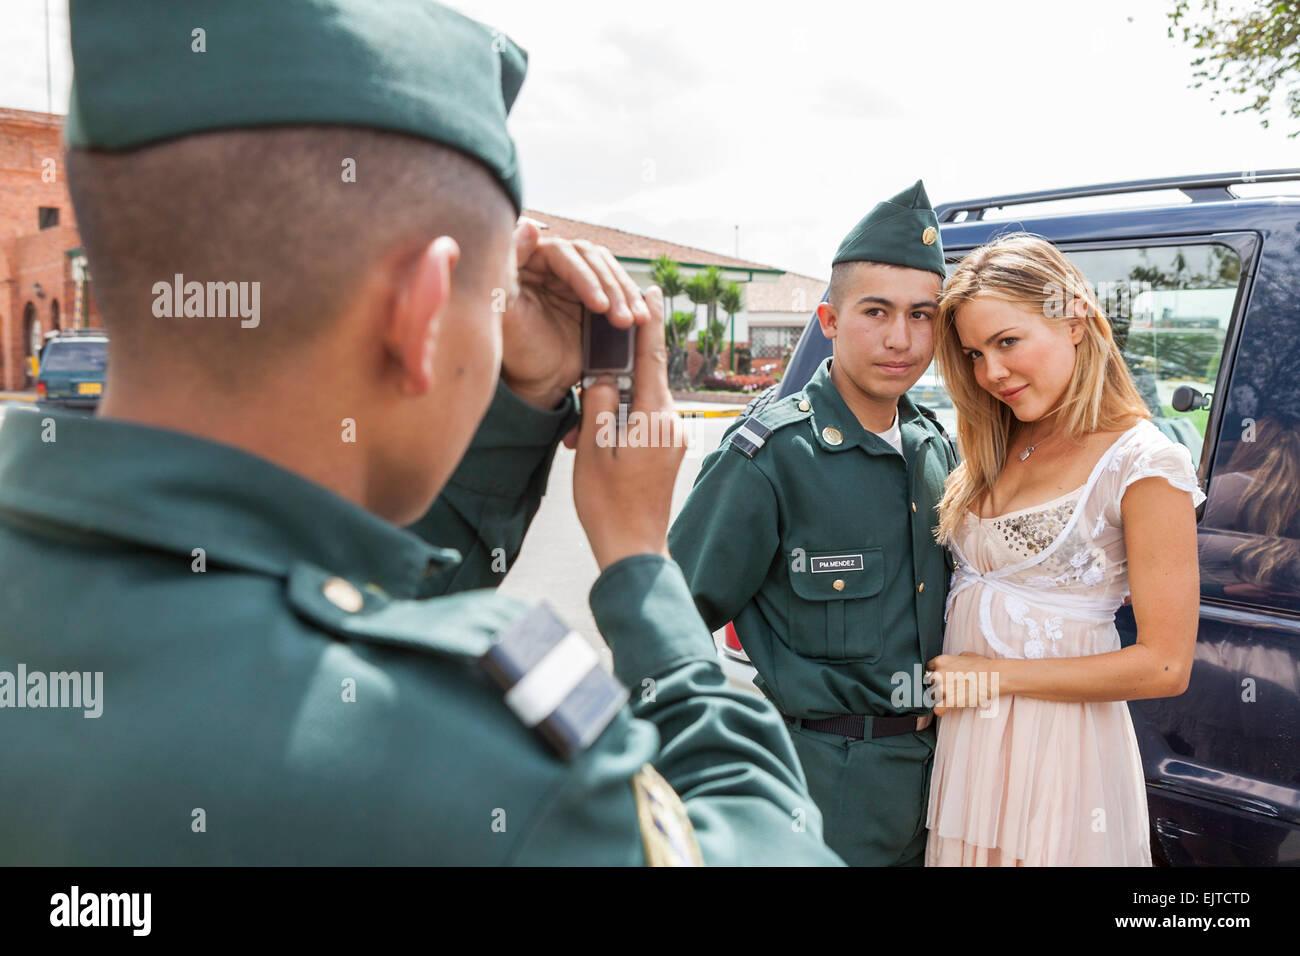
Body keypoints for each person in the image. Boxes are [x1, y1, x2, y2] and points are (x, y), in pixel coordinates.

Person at [0, 0, 844, 866]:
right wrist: (639, 564)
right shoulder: (480, 763)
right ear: (421, 312)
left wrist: (514, 408)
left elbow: (311, 592)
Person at [668, 182, 958, 866]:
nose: (900, 338)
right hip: (817, 796)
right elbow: (670, 619)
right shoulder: (770, 457)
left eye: (922, 315)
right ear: (828, 320)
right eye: (876, 311)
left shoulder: (935, 449)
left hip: (940, 786)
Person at [923, 232, 1202, 866]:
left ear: (1074, 317)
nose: (990, 373)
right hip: (968, 751)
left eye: (1007, 342)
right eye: (973, 353)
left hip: (1061, 758)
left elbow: (1165, 665)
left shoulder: (1144, 463)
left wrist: (992, 677)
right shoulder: (993, 445)